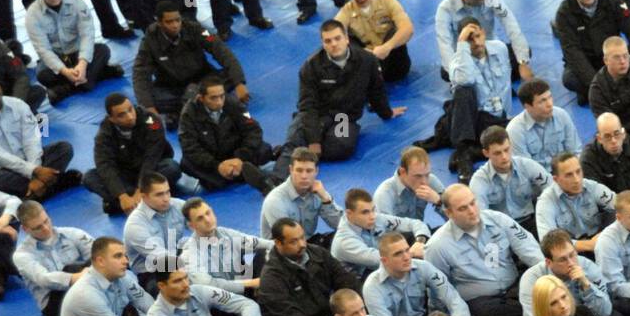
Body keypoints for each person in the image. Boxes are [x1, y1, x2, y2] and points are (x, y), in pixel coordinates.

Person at [424, 184, 544, 316]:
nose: (472, 211)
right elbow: (438, 293)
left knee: (538, 285)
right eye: (463, 208)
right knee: (485, 315)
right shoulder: (437, 247)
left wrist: (548, 281)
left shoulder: (498, 220)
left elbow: (531, 251)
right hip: (482, 303)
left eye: (473, 203)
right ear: (449, 213)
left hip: (514, 288)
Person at [283, 19, 405, 163]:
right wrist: (314, 141)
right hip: (318, 113)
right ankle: (274, 181)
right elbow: (307, 105)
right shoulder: (311, 66)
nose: (333, 44)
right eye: (328, 41)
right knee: (297, 137)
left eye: (337, 38)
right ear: (323, 44)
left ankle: (294, 152)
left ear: (347, 39)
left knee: (340, 146)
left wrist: (387, 113)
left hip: (344, 117)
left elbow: (376, 91)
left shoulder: (367, 61)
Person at [132, 3, 247, 132]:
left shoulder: (195, 29)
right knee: (147, 99)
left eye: (177, 20)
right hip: (172, 87)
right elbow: (140, 74)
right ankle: (202, 102)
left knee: (229, 76)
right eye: (169, 22)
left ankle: (183, 109)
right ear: (159, 22)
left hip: (203, 79)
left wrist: (239, 82)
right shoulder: (149, 42)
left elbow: (221, 50)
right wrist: (149, 108)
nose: (175, 25)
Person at [364, 232, 470, 316]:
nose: (407, 257)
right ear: (384, 261)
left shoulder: (424, 267)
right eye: (398, 254)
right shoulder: (372, 288)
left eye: (407, 250)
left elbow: (453, 299)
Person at [257, 218, 359, 316]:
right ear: (278, 243)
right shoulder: (271, 279)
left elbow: (346, 281)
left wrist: (358, 313)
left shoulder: (317, 253)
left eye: (302, 237)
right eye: (294, 241)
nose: (302, 244)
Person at [24, 0, 122, 104]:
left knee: (103, 50)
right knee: (42, 74)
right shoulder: (32, 15)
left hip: (78, 54)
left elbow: (87, 35)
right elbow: (43, 50)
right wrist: (64, 71)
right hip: (57, 58)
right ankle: (100, 74)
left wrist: (82, 64)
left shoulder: (77, 3)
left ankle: (66, 89)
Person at [58, 237, 158, 316]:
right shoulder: (86, 295)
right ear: (101, 261)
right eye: (118, 256)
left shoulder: (122, 276)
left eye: (125, 256)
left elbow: (148, 305)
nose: (126, 261)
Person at [83, 93, 186, 216]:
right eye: (122, 115)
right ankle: (148, 198)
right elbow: (105, 165)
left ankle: (121, 203)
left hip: (151, 169)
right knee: (89, 177)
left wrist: (140, 190)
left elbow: (151, 158)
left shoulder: (151, 120)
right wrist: (122, 196)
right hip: (125, 173)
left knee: (172, 168)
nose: (130, 117)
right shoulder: (104, 134)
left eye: (130, 110)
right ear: (112, 119)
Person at [435, 20, 512, 180]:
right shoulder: (457, 62)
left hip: (500, 117)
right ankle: (463, 156)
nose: (477, 43)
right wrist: (462, 45)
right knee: (463, 91)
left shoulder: (500, 48)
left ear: (484, 33)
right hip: (476, 122)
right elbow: (465, 79)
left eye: (478, 36)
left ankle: (471, 152)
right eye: (470, 39)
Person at [178, 75, 281, 195]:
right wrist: (217, 166)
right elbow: (190, 147)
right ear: (201, 98)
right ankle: (241, 172)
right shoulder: (188, 114)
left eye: (222, 96)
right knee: (191, 167)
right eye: (213, 98)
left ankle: (236, 171)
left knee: (264, 149)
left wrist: (240, 156)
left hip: (234, 152)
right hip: (211, 158)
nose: (219, 102)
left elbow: (253, 130)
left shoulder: (234, 104)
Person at [434, 0, 533, 83]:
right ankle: (490, 78)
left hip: (489, 50)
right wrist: (456, 75)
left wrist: (523, 62)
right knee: (448, 74)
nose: (486, 0)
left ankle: (483, 79)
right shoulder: (445, 9)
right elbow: (444, 44)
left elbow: (511, 25)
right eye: (481, 0)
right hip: (465, 55)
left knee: (524, 53)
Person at [520, 229, 619, 316]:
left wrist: (586, 285)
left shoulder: (587, 266)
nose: (571, 263)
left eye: (572, 255)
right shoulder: (531, 279)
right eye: (563, 260)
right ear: (549, 262)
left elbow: (605, 312)